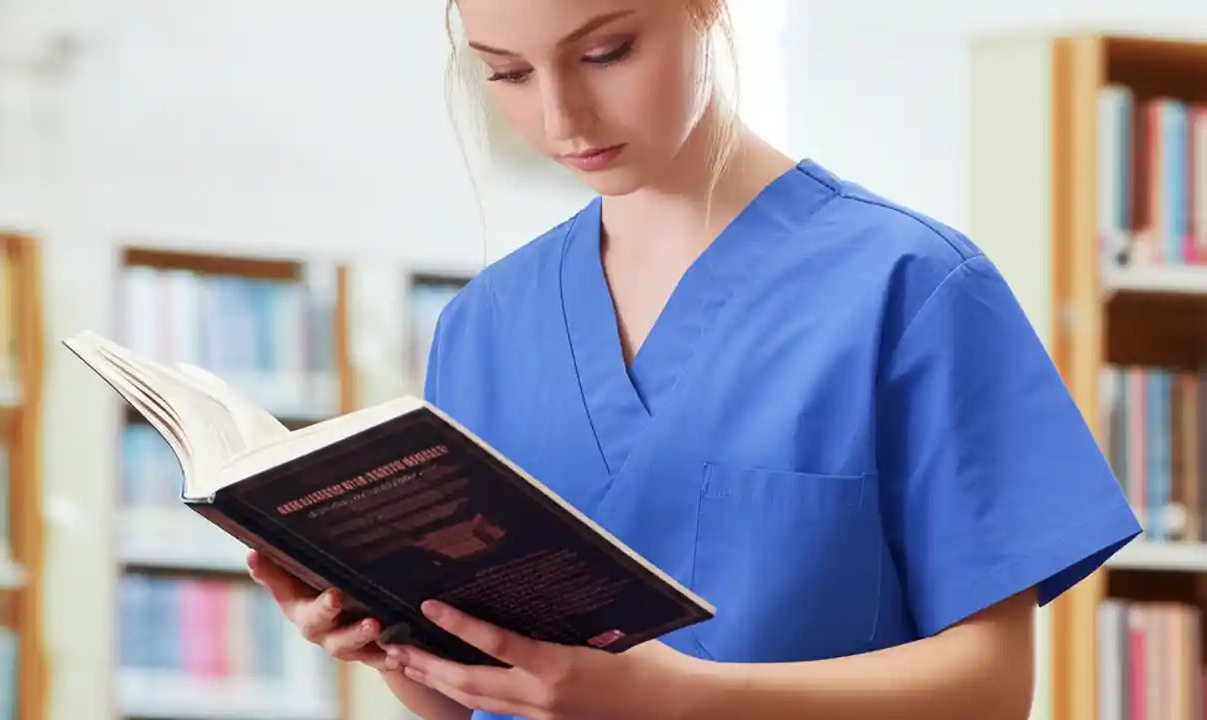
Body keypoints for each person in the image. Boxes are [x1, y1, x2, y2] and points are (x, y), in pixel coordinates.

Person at [247, 0, 1142, 718]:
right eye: (508, 74)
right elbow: (460, 702)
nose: (561, 117)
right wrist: (383, 643)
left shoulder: (911, 286)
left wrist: (680, 700)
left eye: (607, 51)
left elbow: (989, 689)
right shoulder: (485, 325)